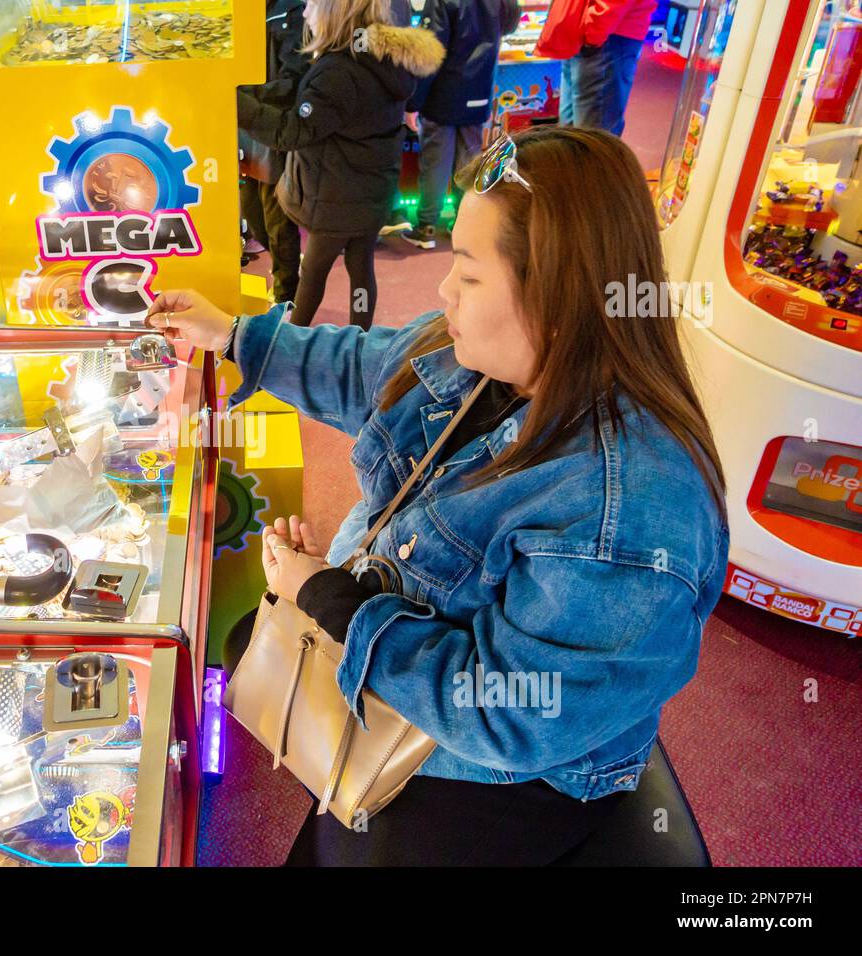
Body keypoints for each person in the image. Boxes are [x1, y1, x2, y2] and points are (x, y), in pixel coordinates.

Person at [145, 127, 729, 865]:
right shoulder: (481, 356)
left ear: (555, 294)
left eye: (468, 274)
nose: (443, 291)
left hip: (507, 773)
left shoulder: (631, 514)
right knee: (247, 654)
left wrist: (329, 600)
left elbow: (505, 711)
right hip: (403, 662)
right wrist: (233, 336)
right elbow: (366, 369)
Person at [239, 0, 444, 330]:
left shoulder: (338, 71)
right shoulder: (382, 57)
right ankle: (360, 334)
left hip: (337, 193)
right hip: (373, 186)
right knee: (360, 266)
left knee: (313, 273)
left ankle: (292, 338)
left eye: (312, 7)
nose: (305, 13)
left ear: (334, 13)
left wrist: (238, 105)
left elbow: (292, 131)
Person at [399, 0, 522, 249]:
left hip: (443, 92)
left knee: (436, 162)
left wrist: (413, 102)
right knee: (471, 160)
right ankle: (465, 221)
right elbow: (511, 23)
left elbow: (430, 52)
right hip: (480, 87)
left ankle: (427, 227)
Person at [238, 0, 308, 303]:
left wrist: (242, 93)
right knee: (255, 219)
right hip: (245, 128)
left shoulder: (291, 11)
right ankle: (289, 287)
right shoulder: (240, 11)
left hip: (273, 128)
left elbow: (294, 80)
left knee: (278, 224)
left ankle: (287, 297)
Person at [536, 0, 656, 137]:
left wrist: (594, 32)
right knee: (588, 134)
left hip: (600, 31)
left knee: (587, 133)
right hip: (598, 31)